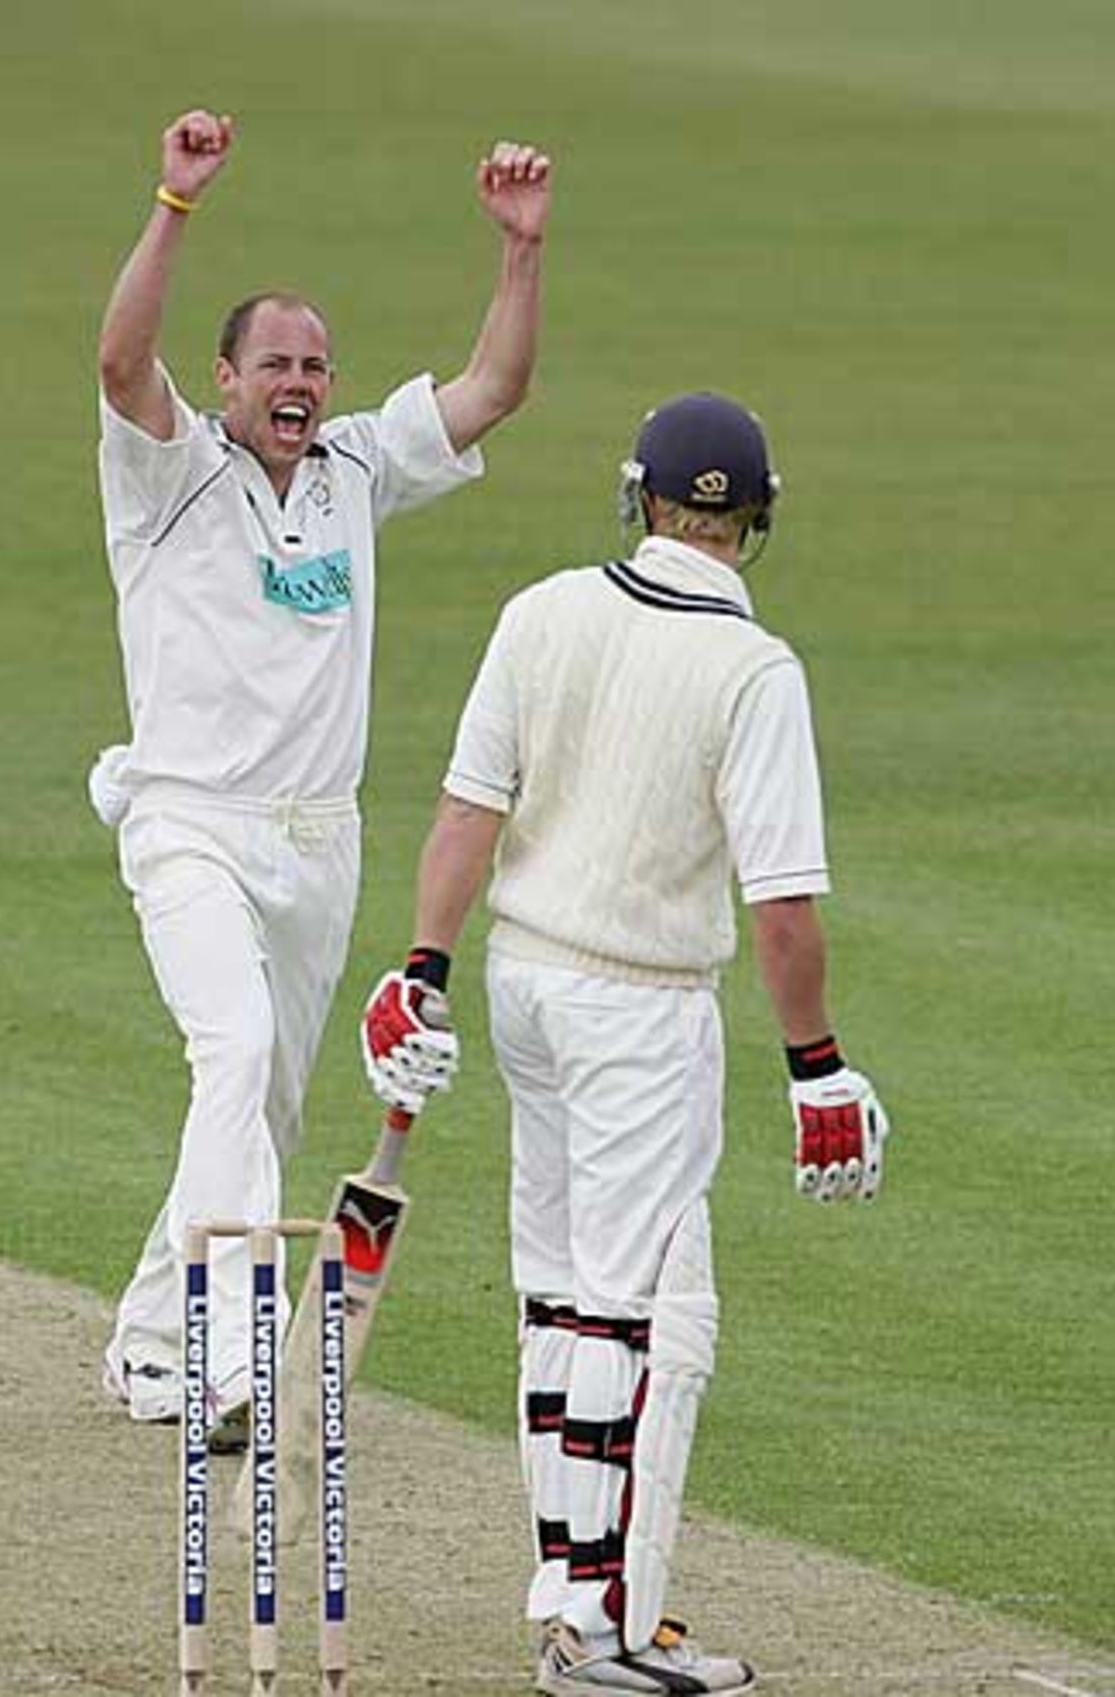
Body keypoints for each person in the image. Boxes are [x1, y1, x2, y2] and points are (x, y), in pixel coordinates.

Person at [360, 391, 891, 1696]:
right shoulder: (755, 672)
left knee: (557, 1291)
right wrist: (817, 1064)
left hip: (525, 984)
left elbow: (464, 818)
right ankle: (592, 1629)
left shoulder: (539, 612)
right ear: (753, 522)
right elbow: (780, 907)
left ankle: (568, 1596)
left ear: (636, 497)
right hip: (643, 1011)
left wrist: (419, 972)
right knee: (624, 1310)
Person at [93, 108, 552, 1440]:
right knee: (229, 1053)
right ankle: (225, 1353)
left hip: (318, 841)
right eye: (274, 364)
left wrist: (520, 251)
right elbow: (122, 360)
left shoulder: (352, 464)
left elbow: (494, 390)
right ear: (226, 378)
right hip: (188, 820)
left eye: (315, 363)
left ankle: (139, 1341)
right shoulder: (168, 470)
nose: (298, 382)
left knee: (263, 1100)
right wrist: (174, 205)